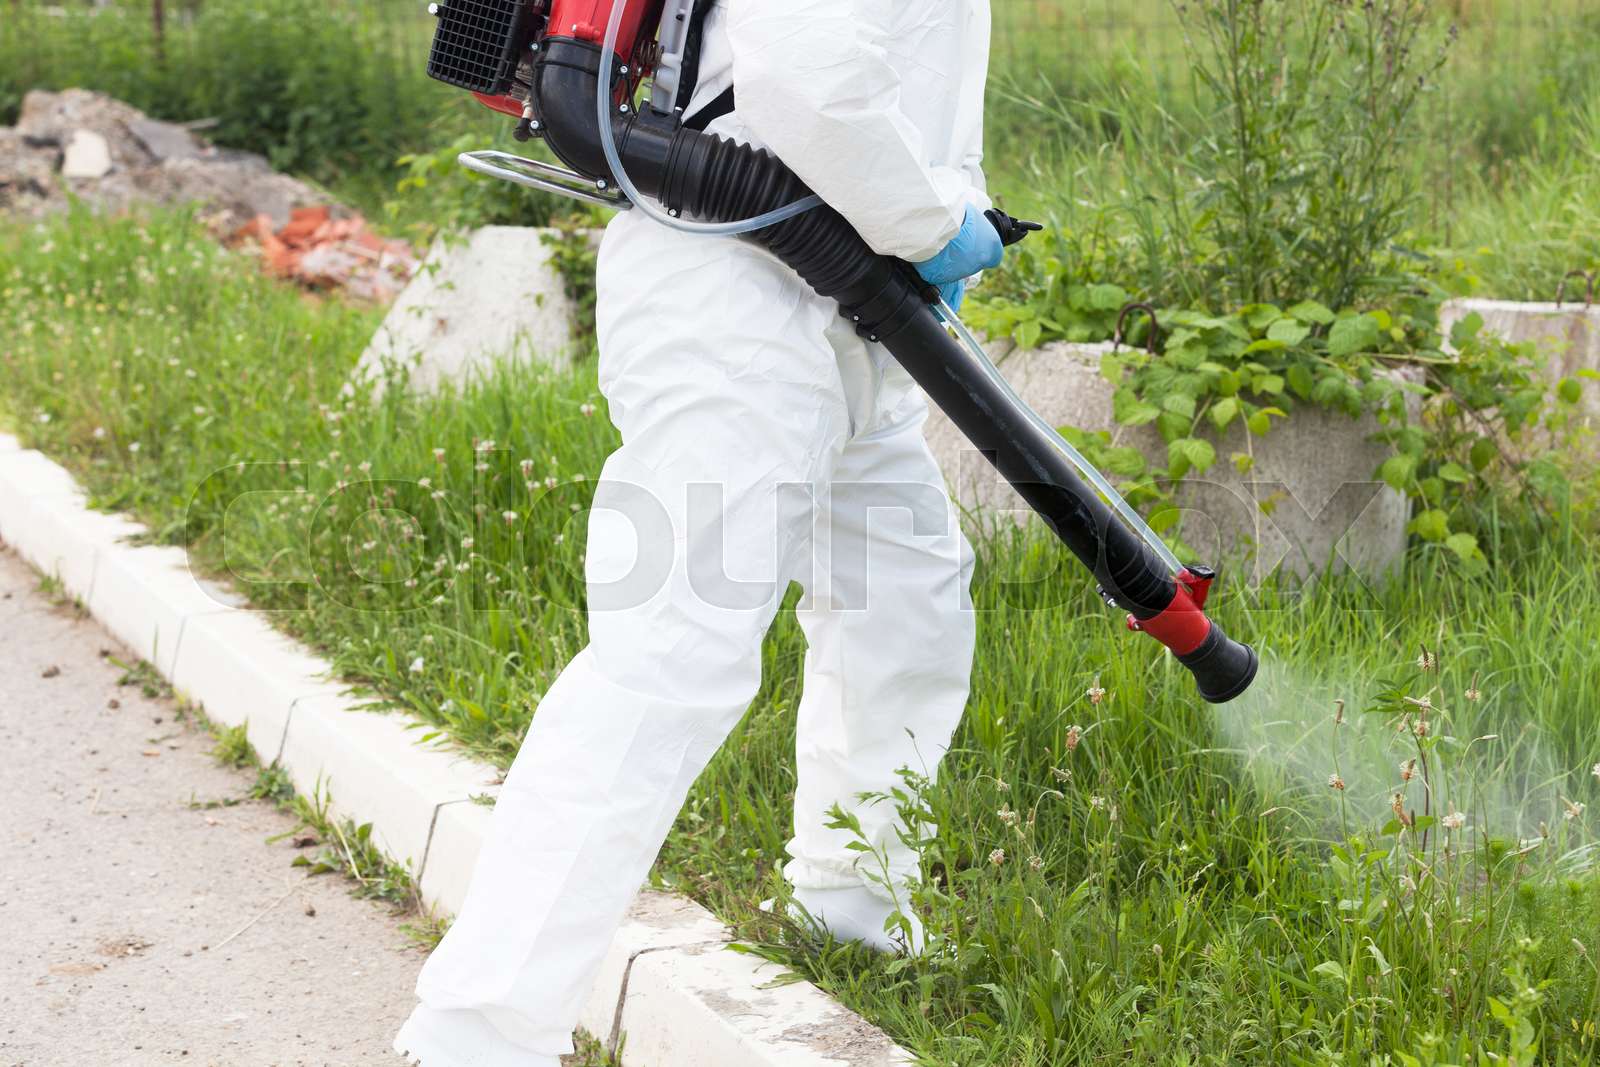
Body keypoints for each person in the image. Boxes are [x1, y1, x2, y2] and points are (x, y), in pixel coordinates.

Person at [395, 1, 1006, 1063]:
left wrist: (944, 209)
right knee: (673, 651)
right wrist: (935, 224)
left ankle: (851, 904)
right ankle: (477, 1029)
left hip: (849, 295)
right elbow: (807, 70)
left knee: (903, 602)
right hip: (741, 292)